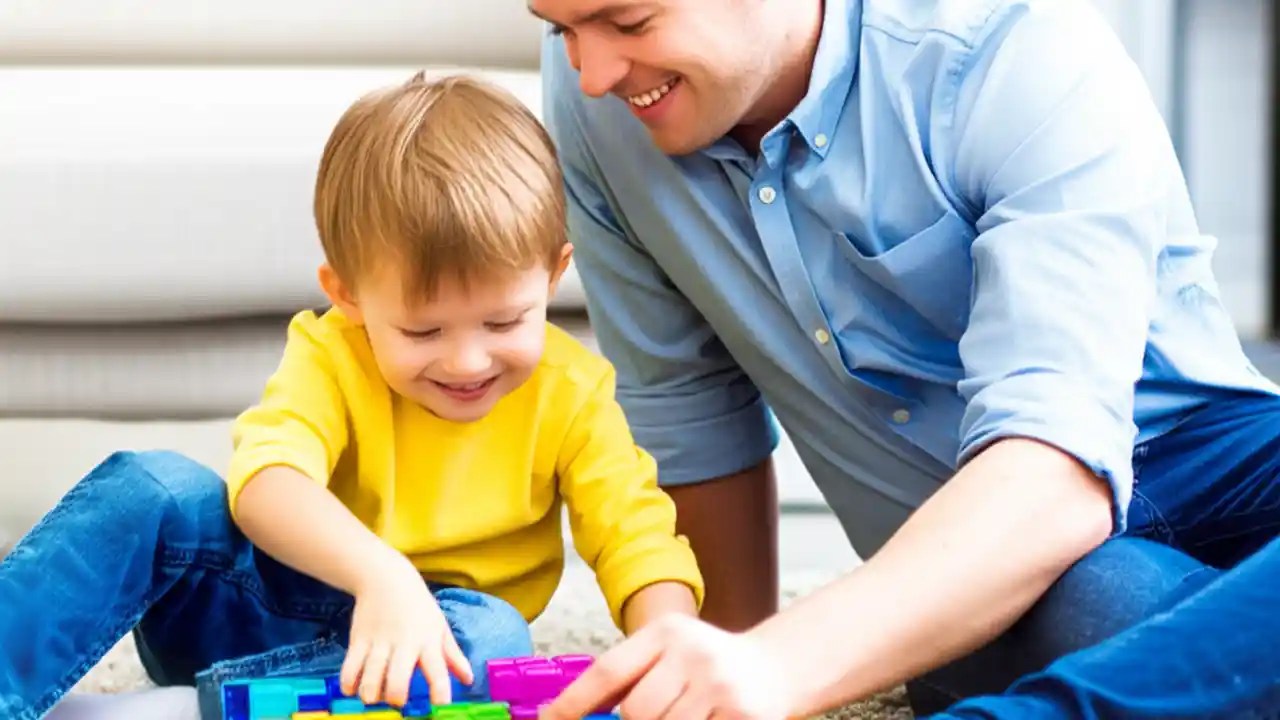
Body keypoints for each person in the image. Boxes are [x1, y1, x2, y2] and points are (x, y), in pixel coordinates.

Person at [530, 0, 1280, 716]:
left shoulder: (1010, 46)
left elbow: (1059, 471)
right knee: (1123, 621)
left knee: (1168, 651)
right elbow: (689, 413)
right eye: (563, 27)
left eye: (629, 21)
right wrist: (715, 673)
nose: (591, 71)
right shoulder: (598, 101)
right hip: (974, 561)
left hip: (1198, 454)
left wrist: (782, 662)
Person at [0, 72, 704, 720]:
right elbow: (266, 483)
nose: (467, 359)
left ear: (553, 277)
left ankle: (180, 711)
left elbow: (635, 534)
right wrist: (381, 578)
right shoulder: (333, 351)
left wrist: (668, 638)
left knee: (492, 638)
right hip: (254, 606)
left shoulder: (574, 392)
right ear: (349, 297)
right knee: (150, 485)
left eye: (504, 321)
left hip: (420, 655)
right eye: (423, 329)